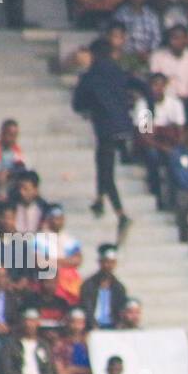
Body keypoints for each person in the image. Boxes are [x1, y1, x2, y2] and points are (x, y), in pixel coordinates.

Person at [72, 38, 138, 236]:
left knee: (106, 170)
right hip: (125, 127)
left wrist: (90, 108)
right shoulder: (121, 72)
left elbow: (77, 104)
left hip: (105, 129)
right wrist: (147, 123)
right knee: (102, 163)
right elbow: (146, 90)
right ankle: (99, 199)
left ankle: (121, 214)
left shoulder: (90, 76)